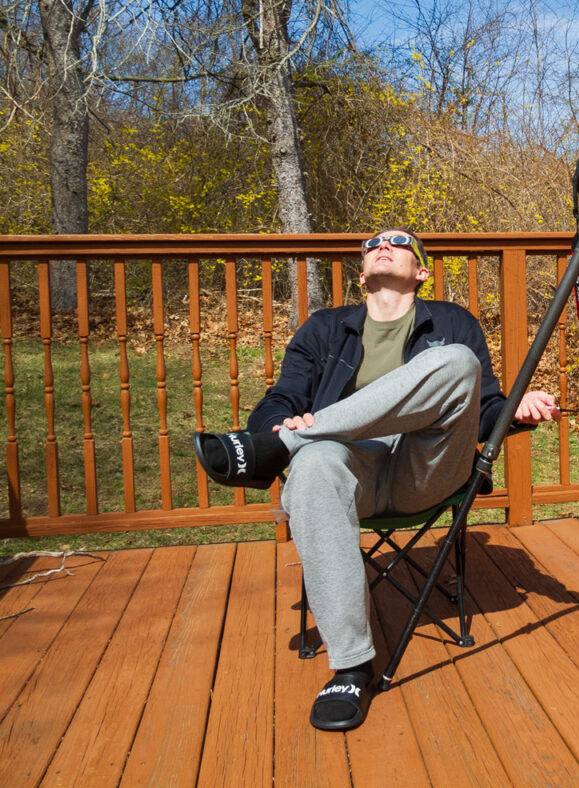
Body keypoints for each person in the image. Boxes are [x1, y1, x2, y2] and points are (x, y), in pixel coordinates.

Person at [194, 228, 559, 730]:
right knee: (316, 463)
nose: (382, 246)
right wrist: (276, 427)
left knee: (456, 362)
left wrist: (516, 410)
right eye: (372, 245)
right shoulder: (324, 329)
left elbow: (485, 406)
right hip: (351, 468)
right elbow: (282, 398)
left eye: (399, 243)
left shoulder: (453, 322)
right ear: (362, 272)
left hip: (426, 466)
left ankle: (279, 451)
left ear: (422, 271)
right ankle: (350, 664)